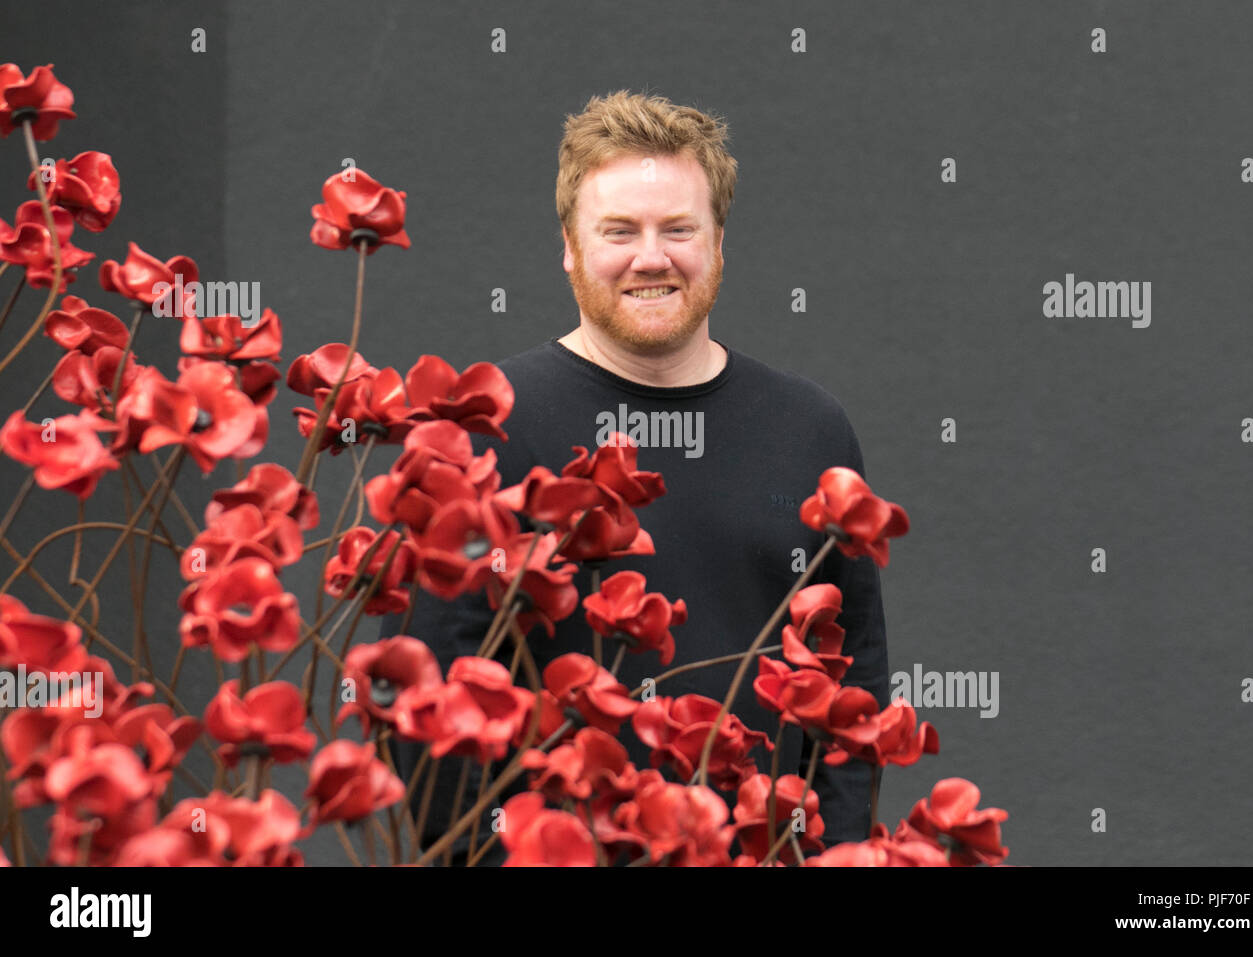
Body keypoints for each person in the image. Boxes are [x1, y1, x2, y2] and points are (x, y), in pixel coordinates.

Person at [379, 89, 891, 865]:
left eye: (678, 229)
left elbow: (857, 679)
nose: (651, 257)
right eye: (619, 231)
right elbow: (427, 706)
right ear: (570, 247)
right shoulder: (488, 430)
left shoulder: (810, 428)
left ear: (719, 241)